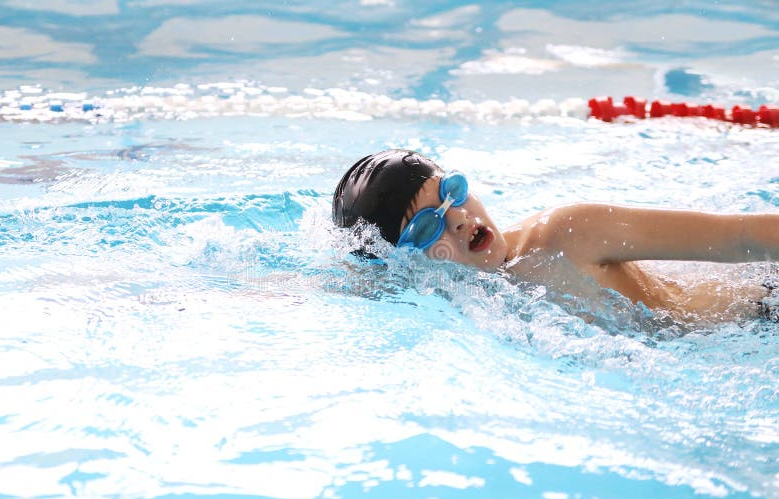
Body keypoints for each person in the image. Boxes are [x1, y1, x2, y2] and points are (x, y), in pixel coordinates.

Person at [332, 149, 779, 324]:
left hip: (761, 312)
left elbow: (738, 236)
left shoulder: (566, 234)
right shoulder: (438, 293)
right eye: (427, 227)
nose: (460, 221)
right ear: (402, 259)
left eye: (453, 193)